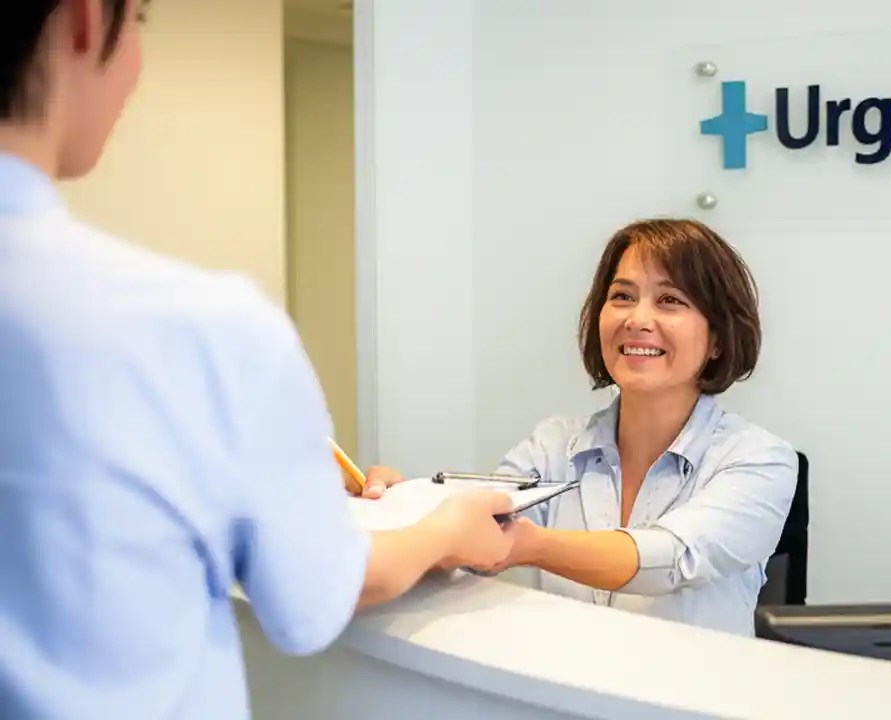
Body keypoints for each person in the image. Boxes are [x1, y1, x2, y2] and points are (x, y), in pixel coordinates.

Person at [0, 2, 514, 718]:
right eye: (141, 18)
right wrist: (444, 530)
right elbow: (310, 602)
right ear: (87, 21)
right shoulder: (197, 326)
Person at [370, 218, 798, 636]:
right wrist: (396, 502)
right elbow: (477, 534)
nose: (637, 319)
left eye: (670, 300)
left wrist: (529, 545)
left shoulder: (761, 460)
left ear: (718, 338)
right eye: (622, 296)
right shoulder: (552, 445)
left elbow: (673, 557)